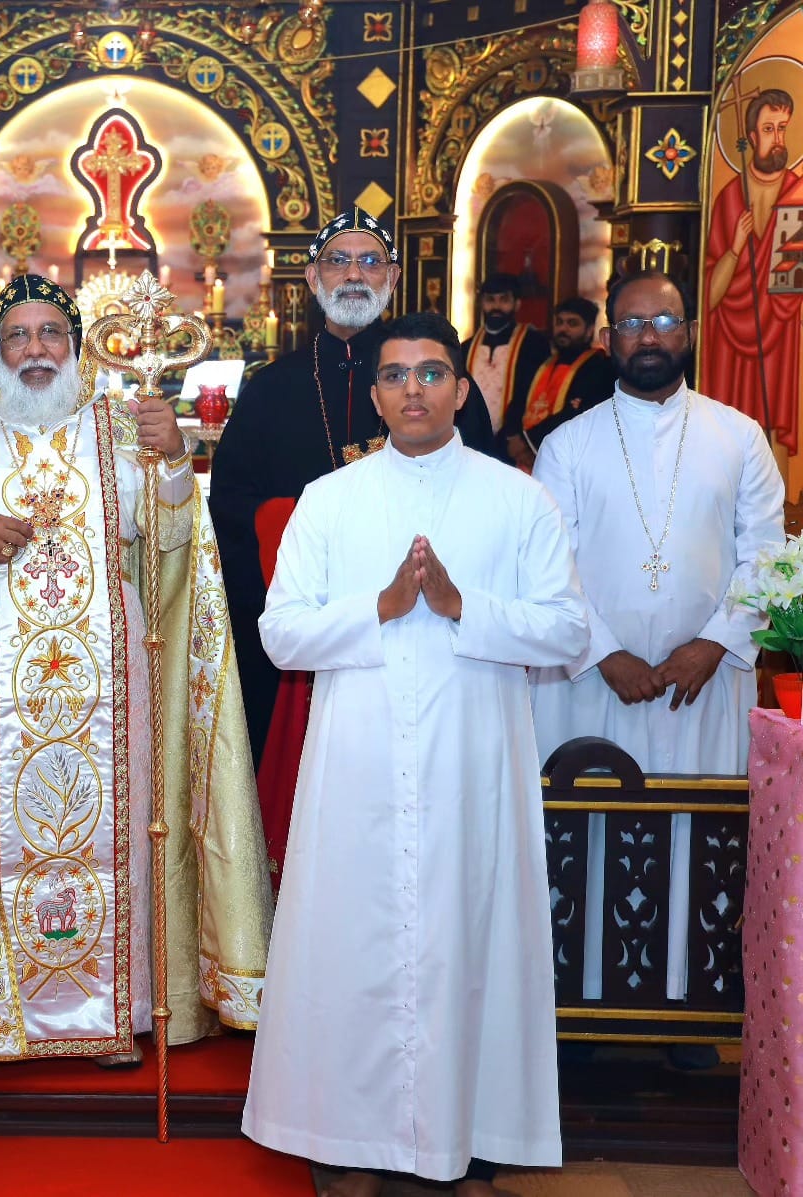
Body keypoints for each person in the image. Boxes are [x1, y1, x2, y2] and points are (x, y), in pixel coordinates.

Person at [0, 275, 272, 1064]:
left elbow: (175, 545)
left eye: (51, 333)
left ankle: (114, 1015)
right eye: (17, 336)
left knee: (120, 836)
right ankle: (5, 1011)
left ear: (77, 346)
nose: (36, 351)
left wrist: (176, 459)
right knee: (8, 844)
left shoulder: (123, 427)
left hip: (113, 684)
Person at [242, 311, 586, 1196]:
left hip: (476, 762)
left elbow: (568, 630)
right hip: (356, 763)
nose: (413, 391)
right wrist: (385, 604)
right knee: (354, 943)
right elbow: (281, 633)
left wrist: (466, 604)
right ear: (376, 392)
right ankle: (345, 1137)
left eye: (432, 374)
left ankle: (464, 1138)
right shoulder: (331, 499)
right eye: (395, 376)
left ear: (462, 390)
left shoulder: (519, 498)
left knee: (466, 943)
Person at [209, 208, 495, 884]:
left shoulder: (445, 379)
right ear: (312, 277)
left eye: (371, 261)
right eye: (340, 260)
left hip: (423, 629)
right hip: (306, 641)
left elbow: (481, 493)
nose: (355, 274)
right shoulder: (271, 387)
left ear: (394, 276)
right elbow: (232, 510)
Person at [531, 271, 783, 1009]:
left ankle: (686, 1002)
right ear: (609, 339)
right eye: (633, 325)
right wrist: (603, 651)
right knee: (591, 842)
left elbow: (767, 556)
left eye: (664, 321)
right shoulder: (566, 445)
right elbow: (551, 563)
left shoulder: (739, 437)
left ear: (689, 334)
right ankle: (580, 999)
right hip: (591, 687)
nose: (648, 337)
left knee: (694, 842)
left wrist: (713, 643)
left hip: (702, 686)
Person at [703, 88, 803, 449]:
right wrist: (734, 248)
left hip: (782, 335)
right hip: (731, 339)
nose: (778, 139)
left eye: (783, 128)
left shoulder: (798, 194)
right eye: (769, 129)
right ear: (750, 137)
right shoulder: (729, 198)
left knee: (773, 434)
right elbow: (710, 297)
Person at [504, 296, 616, 469]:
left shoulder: (599, 366)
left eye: (572, 324)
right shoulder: (541, 362)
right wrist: (514, 437)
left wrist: (528, 443)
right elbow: (518, 402)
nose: (563, 329)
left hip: (567, 457)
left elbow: (579, 412)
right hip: (524, 460)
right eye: (560, 322)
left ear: (589, 330)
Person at [464, 272, 550, 443]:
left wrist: (515, 435)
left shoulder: (534, 345)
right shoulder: (465, 348)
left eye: (504, 300)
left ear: (517, 304)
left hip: (514, 442)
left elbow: (535, 395)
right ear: (482, 304)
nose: (496, 307)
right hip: (471, 441)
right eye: (490, 300)